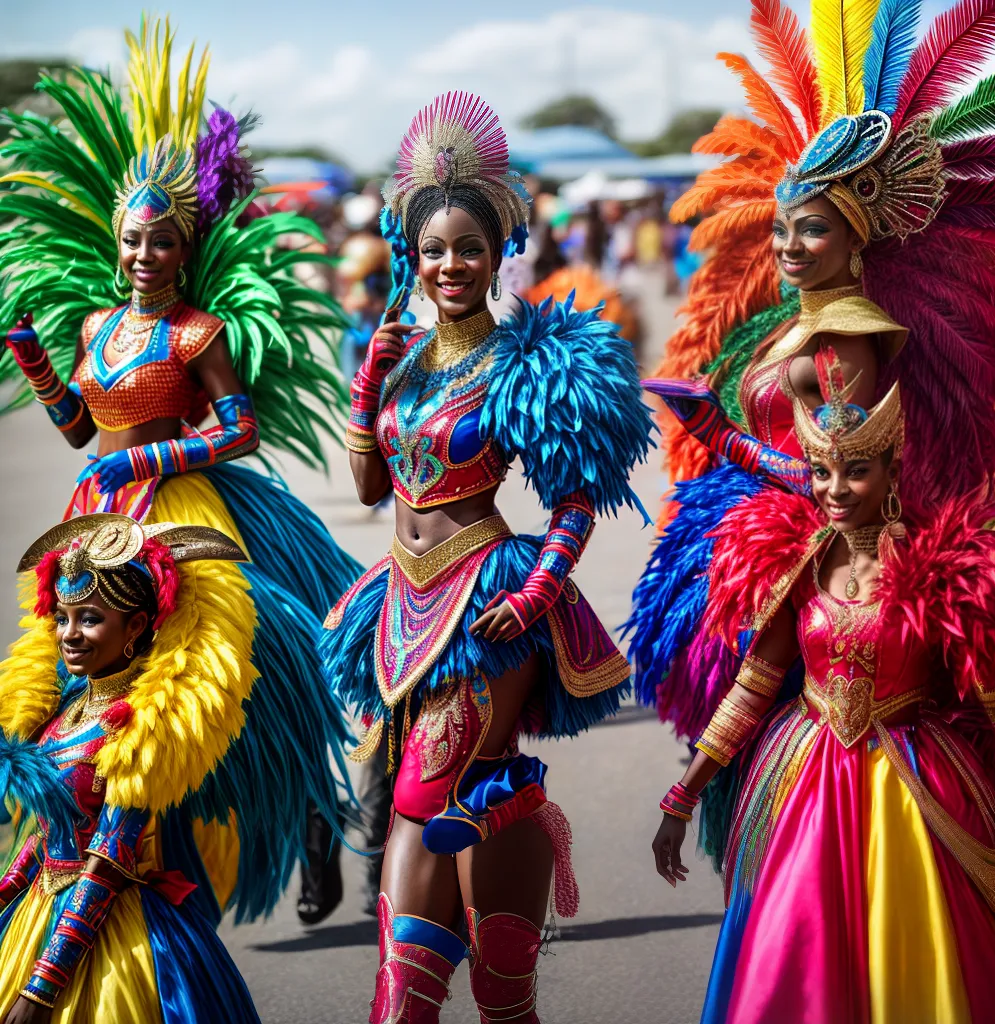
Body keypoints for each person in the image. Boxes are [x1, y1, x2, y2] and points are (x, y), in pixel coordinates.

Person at [0, 20, 361, 929]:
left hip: (178, 509)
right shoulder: (95, 328)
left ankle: (308, 808)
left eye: (160, 242)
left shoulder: (198, 332)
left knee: (217, 663)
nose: (142, 256)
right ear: (114, 243)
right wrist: (37, 365)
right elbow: (80, 428)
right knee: (82, 665)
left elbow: (238, 428)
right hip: (94, 508)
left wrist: (153, 456)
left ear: (184, 249)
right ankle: (84, 833)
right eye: (132, 240)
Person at [320, 92, 654, 1022]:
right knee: (436, 797)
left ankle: (490, 938)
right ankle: (471, 973)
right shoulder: (404, 362)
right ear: (412, 256)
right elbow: (370, 487)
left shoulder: (523, 360)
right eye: (434, 250)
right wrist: (365, 386)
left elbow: (578, 495)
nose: (451, 265)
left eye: (469, 247)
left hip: (485, 600)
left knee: (424, 790)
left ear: (502, 248)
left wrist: (540, 592)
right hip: (400, 599)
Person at [627, 0, 995, 746]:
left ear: (854, 239)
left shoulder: (845, 341)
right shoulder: (797, 324)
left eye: (812, 229)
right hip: (756, 533)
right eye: (782, 227)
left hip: (809, 556)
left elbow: (845, 473)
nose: (788, 245)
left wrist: (720, 435)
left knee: (786, 743)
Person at [650, 366, 995, 1022]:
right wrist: (683, 795)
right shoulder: (799, 564)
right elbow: (752, 690)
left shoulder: (941, 569)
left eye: (855, 472)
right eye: (822, 472)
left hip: (916, 789)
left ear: (891, 472)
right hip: (805, 781)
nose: (835, 489)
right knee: (797, 945)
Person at [0, 513, 350, 1021]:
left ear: (136, 626)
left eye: (90, 619)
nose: (69, 635)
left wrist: (41, 988)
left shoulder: (145, 726)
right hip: (37, 912)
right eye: (62, 618)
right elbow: (46, 836)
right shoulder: (61, 714)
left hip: (110, 932)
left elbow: (108, 861)